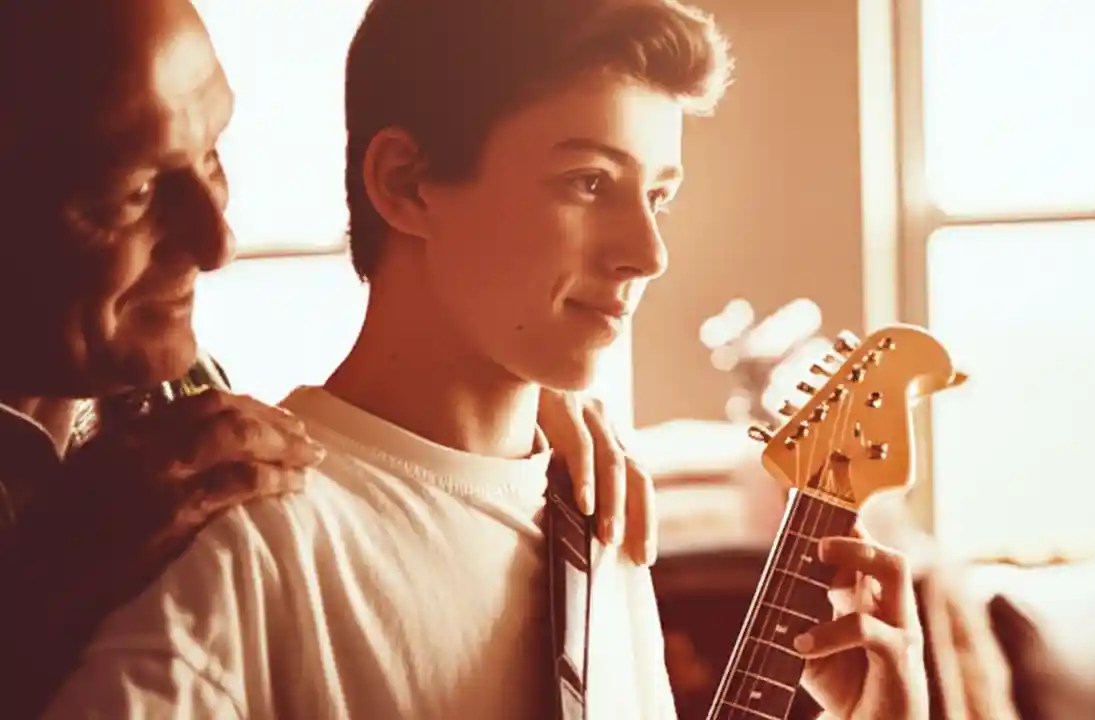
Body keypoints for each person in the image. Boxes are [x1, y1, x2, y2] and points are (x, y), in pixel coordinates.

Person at [38, 0, 929, 718]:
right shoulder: (244, 539)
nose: (649, 252)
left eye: (659, 193)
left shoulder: (604, 512)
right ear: (406, 184)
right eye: (588, 183)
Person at [0, 0, 659, 715]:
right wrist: (30, 607)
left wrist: (515, 399)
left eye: (212, 154)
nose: (218, 242)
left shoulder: (168, 405)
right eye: (129, 194)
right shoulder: (204, 544)